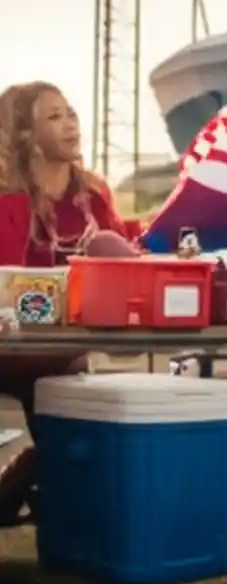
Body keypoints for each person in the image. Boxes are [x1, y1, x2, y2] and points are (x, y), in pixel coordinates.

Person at [0, 81, 132, 525]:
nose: (71, 123)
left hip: (63, 347)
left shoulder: (93, 195)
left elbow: (123, 255)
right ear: (24, 134)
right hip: (9, 343)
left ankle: (28, 477)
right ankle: (26, 479)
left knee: (77, 420)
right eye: (54, 117)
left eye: (71, 112)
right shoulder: (6, 195)